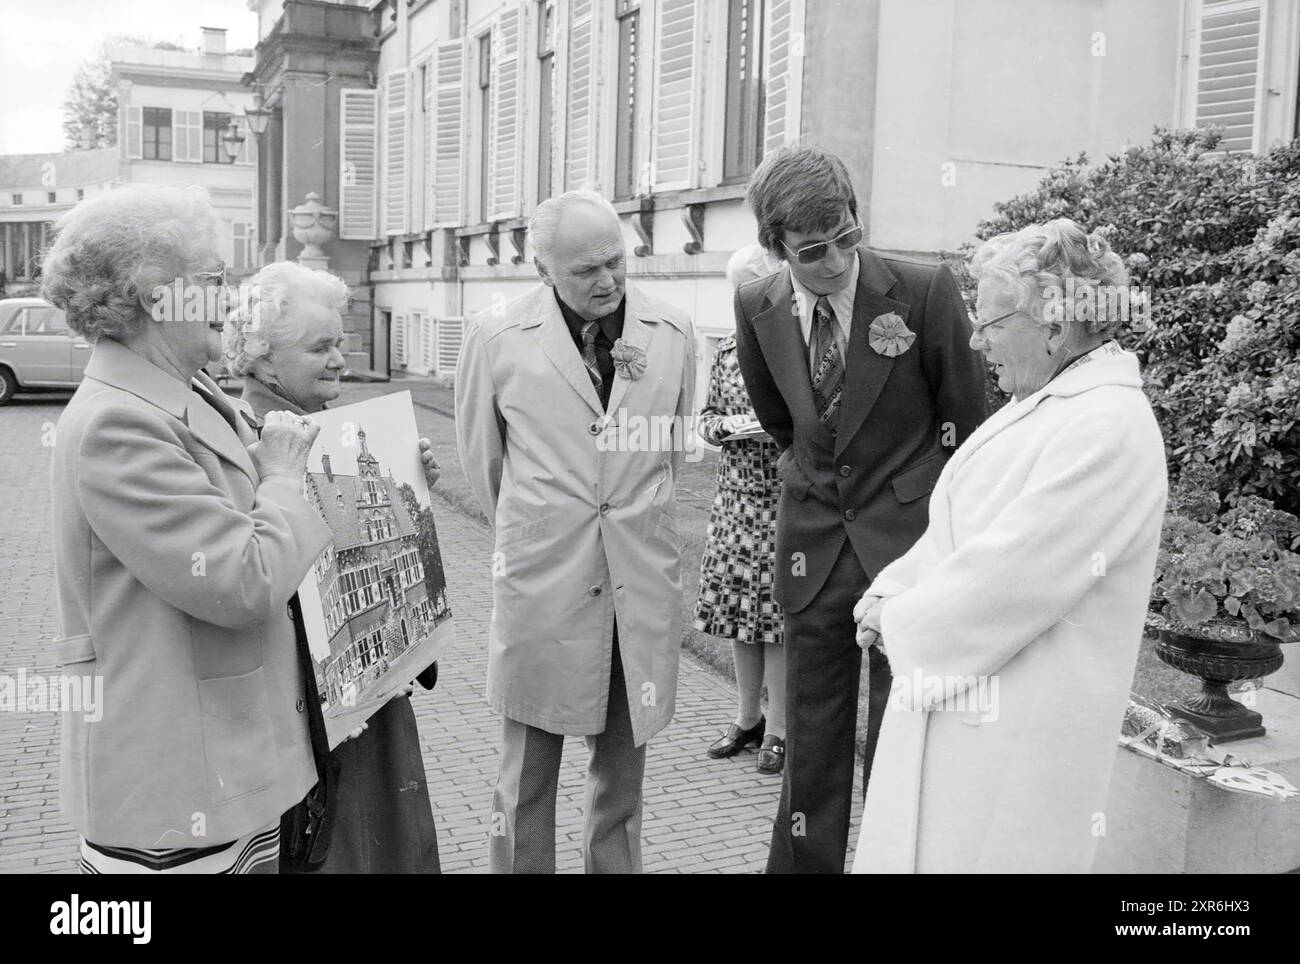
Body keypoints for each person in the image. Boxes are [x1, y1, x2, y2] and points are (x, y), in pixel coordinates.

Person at [851, 219, 1168, 873]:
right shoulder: (1051, 402)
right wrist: (891, 586)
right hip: (968, 722)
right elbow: (957, 539)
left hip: (1018, 746)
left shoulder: (1107, 427)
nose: (976, 339)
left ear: (1053, 323)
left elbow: (1013, 577)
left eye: (992, 322)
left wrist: (898, 619)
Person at [43, 185, 332, 873]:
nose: (231, 299)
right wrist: (284, 476)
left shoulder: (185, 389)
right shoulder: (120, 422)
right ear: (153, 297)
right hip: (173, 787)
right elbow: (242, 578)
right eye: (213, 282)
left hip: (224, 763)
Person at [733, 145, 988, 874]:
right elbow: (784, 423)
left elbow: (966, 429)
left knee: (898, 743)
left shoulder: (926, 290)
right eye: (812, 252)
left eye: (848, 237)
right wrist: (818, 481)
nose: (838, 261)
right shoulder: (756, 305)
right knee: (810, 749)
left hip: (908, 556)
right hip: (812, 552)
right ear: (774, 247)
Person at [456, 189, 697, 873]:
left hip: (637, 588)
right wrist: (547, 532)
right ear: (543, 269)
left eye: (615, 262)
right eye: (585, 270)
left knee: (622, 780)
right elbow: (485, 466)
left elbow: (668, 460)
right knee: (525, 780)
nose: (608, 281)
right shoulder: (497, 336)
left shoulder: (673, 333)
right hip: (543, 587)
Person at [222, 260, 443, 873]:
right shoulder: (242, 445)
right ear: (263, 359)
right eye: (320, 346)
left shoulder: (345, 434)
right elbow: (254, 579)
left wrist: (411, 501)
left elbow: (388, 562)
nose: (341, 359)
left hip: (370, 697)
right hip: (308, 724)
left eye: (340, 341)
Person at [696, 244, 788, 774]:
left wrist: (771, 429)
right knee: (737, 619)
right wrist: (720, 428)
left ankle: (779, 730)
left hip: (780, 502)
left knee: (773, 621)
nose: (740, 300)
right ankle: (747, 718)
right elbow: (708, 417)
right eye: (735, 290)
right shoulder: (728, 350)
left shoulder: (794, 347)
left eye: (747, 289)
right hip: (734, 502)